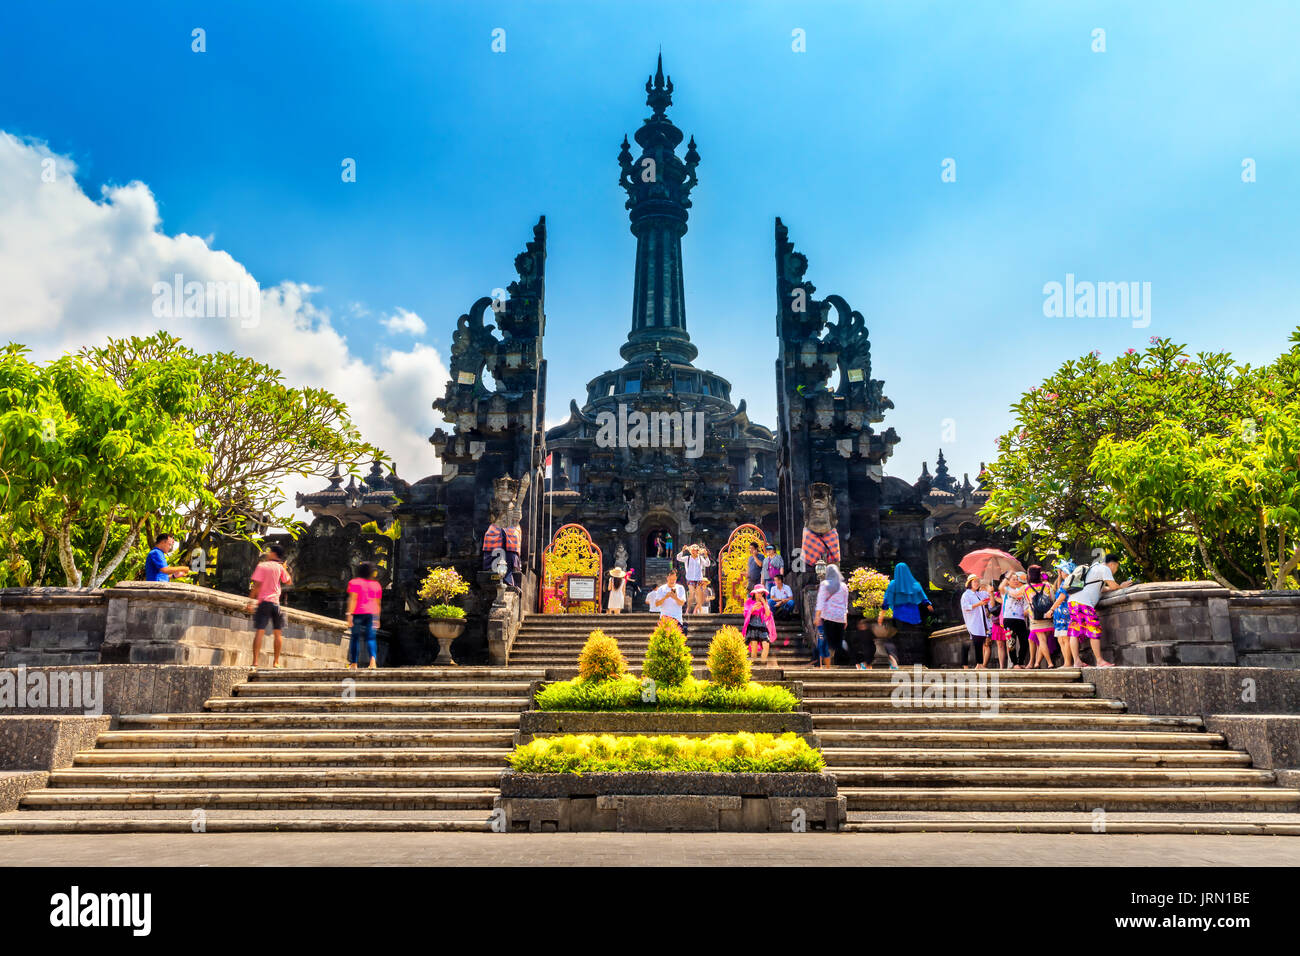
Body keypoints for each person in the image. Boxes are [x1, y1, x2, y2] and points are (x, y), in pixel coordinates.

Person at [1066, 553, 1134, 667]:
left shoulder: (1094, 568)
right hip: (1084, 603)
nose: (1115, 570)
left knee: (1075, 631)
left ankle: (1076, 661)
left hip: (1073, 601)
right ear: (1112, 564)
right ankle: (1100, 661)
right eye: (1116, 567)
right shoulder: (1105, 569)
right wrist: (1122, 586)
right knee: (1094, 630)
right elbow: (1113, 586)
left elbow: (1101, 589)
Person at [247, 545, 292, 669]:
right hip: (275, 603)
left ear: (273, 554)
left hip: (264, 602)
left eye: (269, 551)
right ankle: (276, 662)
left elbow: (256, 586)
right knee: (278, 633)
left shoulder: (262, 566)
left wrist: (250, 602)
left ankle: (255, 661)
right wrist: (283, 568)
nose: (268, 553)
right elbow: (288, 581)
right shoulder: (279, 568)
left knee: (260, 632)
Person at [344, 562, 381, 669]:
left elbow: (353, 599)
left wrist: (349, 614)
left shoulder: (354, 582)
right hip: (371, 613)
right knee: (371, 638)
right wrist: (377, 618)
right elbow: (378, 603)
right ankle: (373, 661)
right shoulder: (376, 585)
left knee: (355, 638)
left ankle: (354, 663)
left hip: (358, 613)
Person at [879, 562, 933, 633]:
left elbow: (887, 599)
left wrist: (882, 614)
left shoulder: (893, 584)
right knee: (914, 633)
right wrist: (930, 608)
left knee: (901, 634)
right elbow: (923, 598)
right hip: (914, 614)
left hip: (899, 615)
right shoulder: (915, 584)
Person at [813, 564, 849, 668]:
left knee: (824, 640)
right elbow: (845, 604)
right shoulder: (843, 586)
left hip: (827, 617)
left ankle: (820, 662)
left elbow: (820, 602)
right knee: (837, 643)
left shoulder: (825, 584)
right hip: (840, 618)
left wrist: (817, 616)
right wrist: (845, 618)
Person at [1024, 565, 1056, 669]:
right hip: (1047, 615)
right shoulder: (1047, 586)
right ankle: (1037, 663)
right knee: (1043, 641)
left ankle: (1050, 663)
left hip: (1035, 617)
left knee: (1042, 641)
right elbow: (1052, 599)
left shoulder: (1027, 589)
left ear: (1029, 575)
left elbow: (1027, 601)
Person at [1047, 561, 1077, 666]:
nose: (1060, 572)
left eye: (1062, 571)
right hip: (1059, 614)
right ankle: (1066, 662)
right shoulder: (1065, 582)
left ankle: (1068, 662)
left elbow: (1061, 597)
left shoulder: (1069, 582)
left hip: (1065, 613)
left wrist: (1051, 610)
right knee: (1060, 639)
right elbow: (1059, 589)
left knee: (1065, 638)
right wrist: (1059, 575)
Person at [959, 574, 992, 669]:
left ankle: (979, 664)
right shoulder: (966, 595)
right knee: (969, 645)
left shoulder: (979, 594)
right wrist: (979, 604)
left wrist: (987, 586)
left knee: (980, 642)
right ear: (970, 583)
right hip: (972, 622)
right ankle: (966, 665)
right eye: (975, 582)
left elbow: (988, 595)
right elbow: (965, 607)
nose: (977, 583)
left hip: (981, 622)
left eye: (978, 581)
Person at [1000, 571, 1032, 669]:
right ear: (1008, 582)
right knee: (1011, 642)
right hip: (1009, 619)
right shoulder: (1006, 590)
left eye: (1017, 579)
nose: (1016, 581)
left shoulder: (1022, 591)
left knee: (1024, 642)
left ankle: (1021, 661)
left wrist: (1026, 612)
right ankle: (1015, 663)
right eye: (1013, 579)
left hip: (1021, 619)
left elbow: (1026, 607)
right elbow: (1000, 587)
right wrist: (1008, 576)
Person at [743, 585, 778, 662]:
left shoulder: (765, 603)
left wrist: (764, 603)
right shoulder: (749, 601)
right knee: (754, 649)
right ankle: (753, 668)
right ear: (754, 594)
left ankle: (763, 665)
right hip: (752, 626)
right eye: (758, 593)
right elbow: (745, 614)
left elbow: (768, 614)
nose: (759, 594)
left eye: (761, 593)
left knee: (766, 645)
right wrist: (753, 609)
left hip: (763, 626)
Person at [648, 567, 687, 635]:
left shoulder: (680, 588)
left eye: (674, 579)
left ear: (676, 578)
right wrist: (665, 597)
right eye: (670, 579)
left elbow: (682, 603)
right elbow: (657, 604)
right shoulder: (661, 589)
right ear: (667, 578)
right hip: (664, 618)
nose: (672, 581)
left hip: (677, 618)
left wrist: (675, 597)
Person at [676, 543, 711, 614]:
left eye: (697, 550)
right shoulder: (688, 558)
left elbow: (707, 564)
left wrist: (706, 555)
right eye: (694, 550)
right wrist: (682, 551)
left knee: (698, 595)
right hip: (690, 578)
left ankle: (700, 610)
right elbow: (678, 558)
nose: (696, 551)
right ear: (691, 551)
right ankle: (687, 610)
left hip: (699, 579)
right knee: (691, 593)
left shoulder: (700, 558)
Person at [984, 573, 1008, 669]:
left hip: (1007, 621)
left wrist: (995, 597)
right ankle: (1002, 667)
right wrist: (991, 594)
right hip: (997, 621)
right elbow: (992, 607)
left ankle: (1011, 664)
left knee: (1009, 644)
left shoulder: (1011, 592)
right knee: (1000, 644)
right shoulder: (996, 593)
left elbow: (1006, 601)